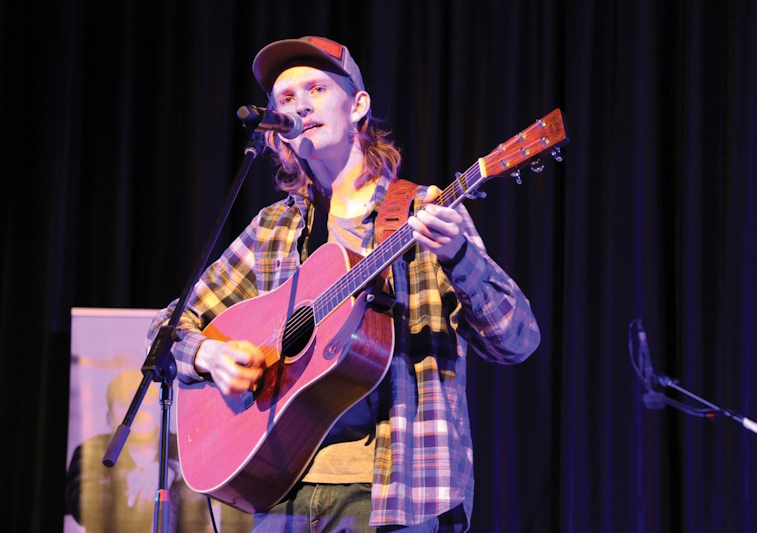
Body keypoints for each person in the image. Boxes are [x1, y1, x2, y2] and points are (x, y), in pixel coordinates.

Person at [147, 36, 540, 532]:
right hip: (281, 488)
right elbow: (168, 327)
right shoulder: (274, 228)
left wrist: (459, 256)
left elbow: (518, 340)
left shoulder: (424, 210)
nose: (300, 105)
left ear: (358, 106)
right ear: (276, 131)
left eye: (315, 89)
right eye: (285, 100)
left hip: (395, 495)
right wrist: (207, 356)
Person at [64, 369, 249, 532]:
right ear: (109, 418)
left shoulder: (186, 446)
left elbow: (225, 494)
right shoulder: (94, 451)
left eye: (148, 400)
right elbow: (83, 506)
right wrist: (127, 481)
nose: (141, 410)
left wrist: (171, 474)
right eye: (126, 403)